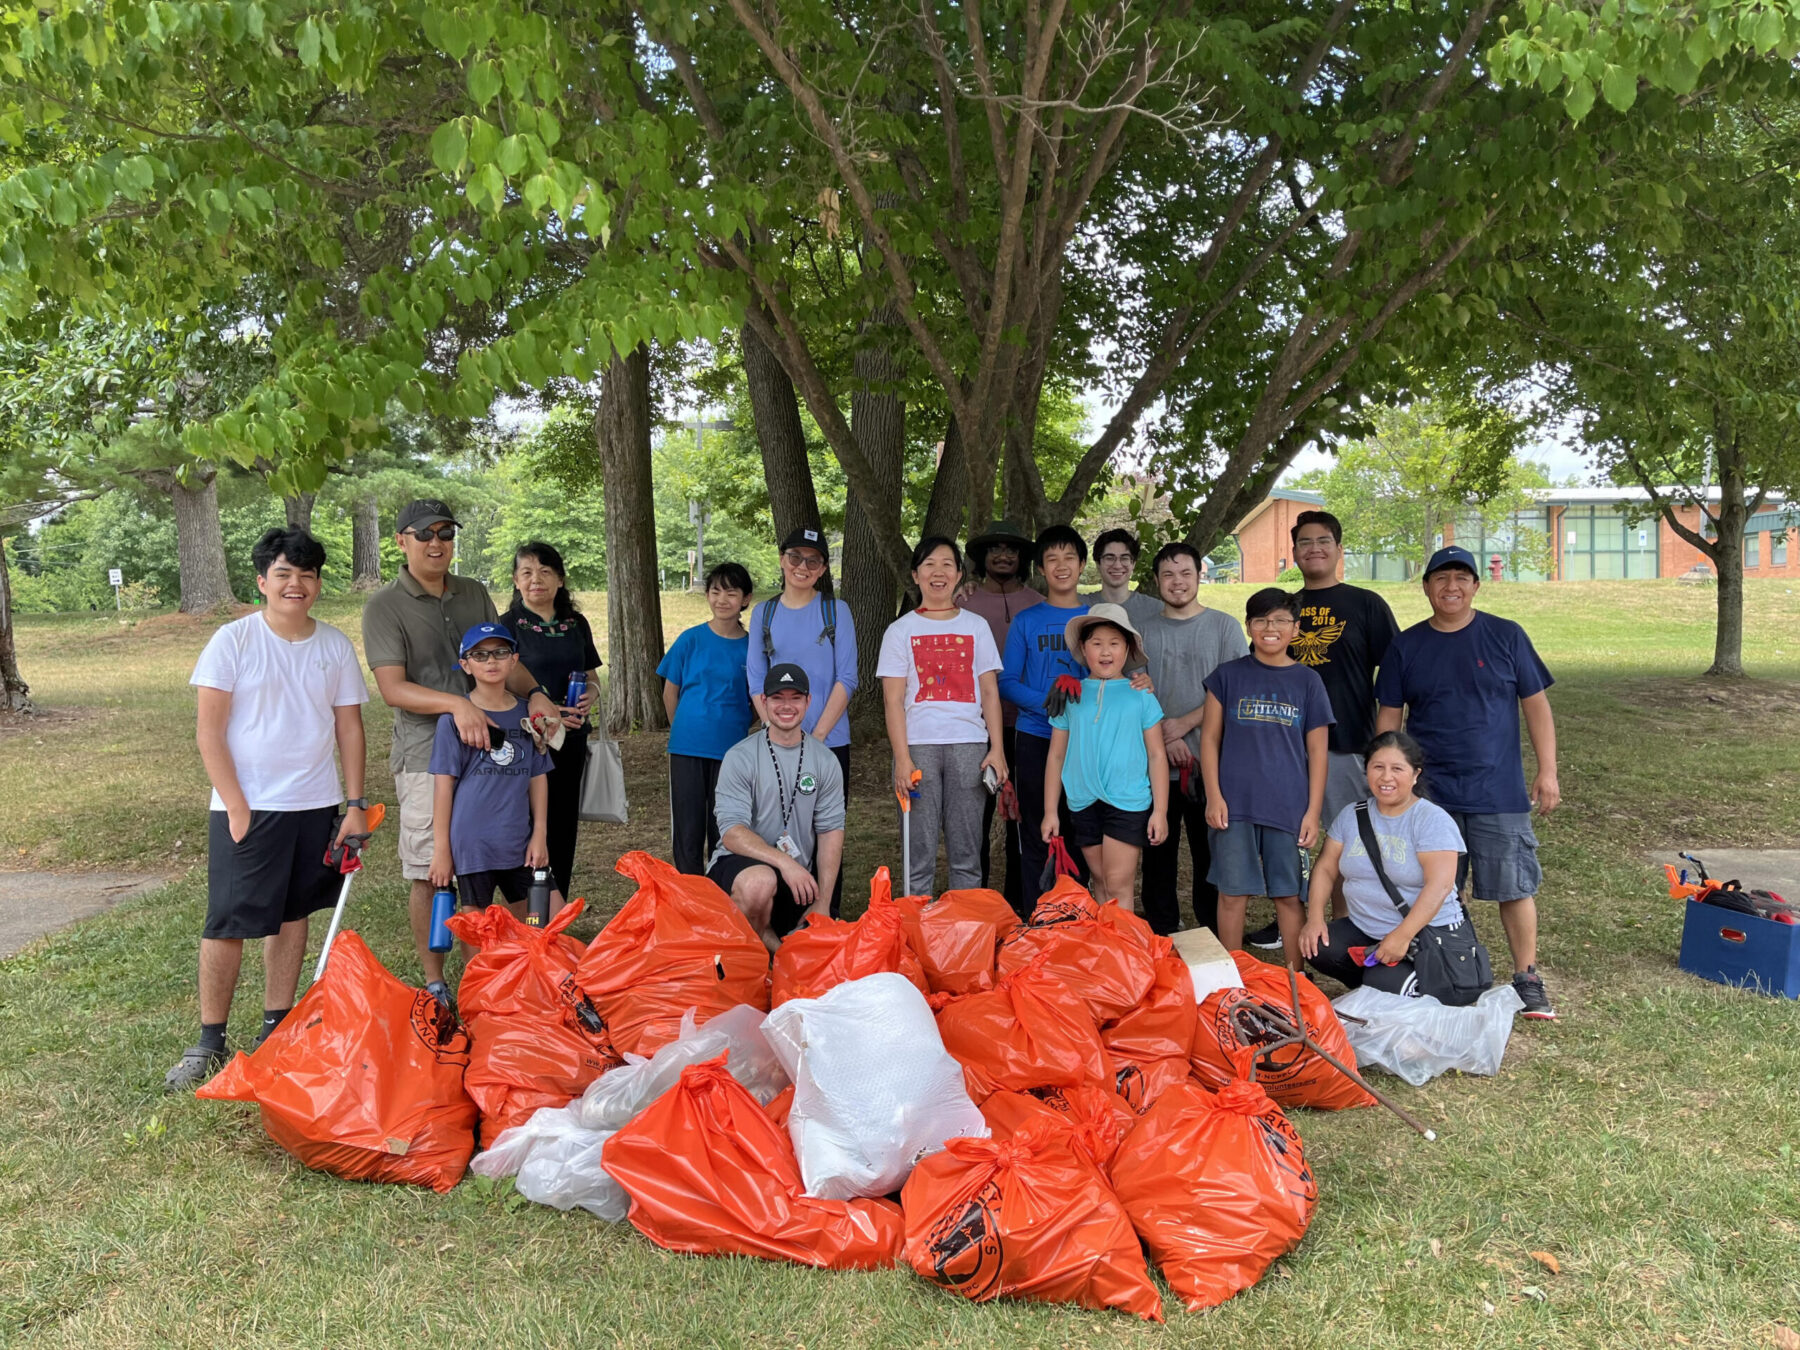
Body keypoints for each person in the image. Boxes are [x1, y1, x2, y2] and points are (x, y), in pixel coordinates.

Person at [166, 528, 369, 1091]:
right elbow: (209, 733)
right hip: (250, 808)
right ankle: (209, 1041)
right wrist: (235, 806)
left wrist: (354, 805)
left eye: (306, 575)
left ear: (318, 584)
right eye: (283, 573)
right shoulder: (232, 642)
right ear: (261, 581)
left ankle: (277, 1027)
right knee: (228, 922)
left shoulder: (333, 646)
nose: (295, 584)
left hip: (317, 803)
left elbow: (349, 728)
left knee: (292, 914)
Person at [362, 498, 561, 1007]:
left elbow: (499, 656)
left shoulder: (473, 592)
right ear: (402, 540)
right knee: (434, 869)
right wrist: (456, 706)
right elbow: (392, 688)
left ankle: (515, 972)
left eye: (445, 533)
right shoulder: (384, 605)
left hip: (500, 754)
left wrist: (535, 693)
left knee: (508, 856)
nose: (436, 543)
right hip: (427, 754)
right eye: (424, 533)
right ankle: (436, 981)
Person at [1376, 544, 1561, 1020]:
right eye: (1441, 578)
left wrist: (1548, 770)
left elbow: (1536, 705)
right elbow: (1390, 719)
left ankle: (1527, 977)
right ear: (1426, 587)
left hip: (1497, 790)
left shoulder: (1506, 636)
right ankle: (1443, 971)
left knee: (1513, 886)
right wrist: (1388, 777)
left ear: (1476, 585)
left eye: (1461, 578)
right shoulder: (1407, 646)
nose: (1451, 587)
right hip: (1431, 795)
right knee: (1434, 890)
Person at [1247, 509, 1401, 949]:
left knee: (1341, 839)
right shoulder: (1283, 609)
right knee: (1287, 838)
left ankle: (1342, 922)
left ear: (1338, 549)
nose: (1313, 549)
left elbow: (1394, 675)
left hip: (1345, 744)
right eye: (1304, 543)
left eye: (1323, 541)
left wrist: (1388, 742)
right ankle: (1289, 917)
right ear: (1293, 553)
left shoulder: (1365, 604)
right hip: (1283, 747)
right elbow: (1256, 669)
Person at [1199, 588, 1334, 961]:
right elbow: (1209, 740)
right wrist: (1214, 795)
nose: (1269, 628)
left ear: (1295, 628)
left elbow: (1318, 752)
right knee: (1232, 893)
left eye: (1279, 620)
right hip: (1234, 806)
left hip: (1287, 807)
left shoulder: (1308, 682)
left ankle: (1297, 980)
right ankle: (1231, 986)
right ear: (1248, 626)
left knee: (1288, 895)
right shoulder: (1226, 677)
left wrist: (1312, 811)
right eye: (1261, 620)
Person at [1300, 730, 1486, 998]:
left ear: (1415, 774)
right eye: (1378, 767)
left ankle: (1396, 984)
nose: (1386, 777)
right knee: (1319, 945)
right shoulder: (1352, 815)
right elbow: (1327, 867)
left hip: (1427, 936)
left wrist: (1402, 936)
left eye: (1397, 768)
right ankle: (1382, 985)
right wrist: (1315, 917)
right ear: (1366, 770)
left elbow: (1440, 885)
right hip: (1367, 928)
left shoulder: (1432, 820)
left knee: (1382, 982)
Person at [879, 537, 1007, 894]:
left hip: (969, 746)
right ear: (916, 575)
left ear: (959, 574)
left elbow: (989, 691)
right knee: (917, 850)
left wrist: (996, 749)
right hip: (918, 746)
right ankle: (915, 928)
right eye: (930, 564)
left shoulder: (976, 626)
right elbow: (892, 701)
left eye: (948, 564)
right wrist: (901, 758)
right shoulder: (900, 630)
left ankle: (964, 931)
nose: (939, 572)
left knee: (967, 850)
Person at [745, 525, 858, 914]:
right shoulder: (765, 611)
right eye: (794, 557)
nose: (802, 566)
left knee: (827, 831)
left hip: (829, 741)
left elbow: (847, 677)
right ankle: (779, 917)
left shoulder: (836, 610)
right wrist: (778, 728)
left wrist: (819, 734)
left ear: (823, 568)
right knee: (776, 827)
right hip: (778, 742)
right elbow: (756, 678)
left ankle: (826, 914)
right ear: (781, 560)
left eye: (812, 561)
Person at [1138, 542, 1247, 936]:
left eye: (1185, 573)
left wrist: (1183, 724)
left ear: (1199, 574)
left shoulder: (1224, 627)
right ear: (1156, 581)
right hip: (1155, 762)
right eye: (1168, 575)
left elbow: (1233, 690)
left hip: (1211, 764)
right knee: (1158, 850)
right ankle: (1161, 928)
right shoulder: (1144, 632)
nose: (1177, 582)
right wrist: (1166, 735)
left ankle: (1210, 928)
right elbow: (1135, 691)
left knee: (1210, 852)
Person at [708, 664, 846, 952]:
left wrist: (823, 902)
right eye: (777, 698)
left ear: (808, 702)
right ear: (763, 702)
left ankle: (778, 946)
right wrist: (784, 863)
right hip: (740, 866)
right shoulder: (740, 757)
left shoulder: (825, 761)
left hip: (797, 877)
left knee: (824, 948)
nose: (786, 706)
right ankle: (767, 952)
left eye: (795, 698)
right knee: (759, 882)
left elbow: (831, 831)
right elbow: (732, 833)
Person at [427, 623, 557, 919]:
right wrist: (441, 848)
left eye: (500, 653)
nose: (491, 661)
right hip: (472, 840)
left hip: (517, 838)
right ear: (465, 665)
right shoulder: (453, 720)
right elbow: (444, 787)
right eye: (480, 655)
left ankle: (527, 968)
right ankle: (477, 968)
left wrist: (540, 834)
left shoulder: (529, 714)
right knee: (475, 922)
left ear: (514, 660)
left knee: (541, 920)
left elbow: (538, 777)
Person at [1042, 605, 1168, 909]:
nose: (1105, 651)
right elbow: (1056, 755)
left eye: (1114, 643)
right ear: (1084, 649)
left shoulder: (1140, 693)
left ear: (1128, 648)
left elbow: (1156, 754)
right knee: (1099, 881)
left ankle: (1124, 951)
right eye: (1097, 643)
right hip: (1083, 800)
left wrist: (1160, 811)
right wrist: (1050, 812)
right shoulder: (1071, 695)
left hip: (1127, 799)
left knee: (1118, 884)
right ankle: (1108, 951)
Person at [1000, 524, 1091, 912]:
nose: (1061, 565)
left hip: (1086, 739)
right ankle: (1035, 916)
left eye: (1069, 557)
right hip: (1036, 735)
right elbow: (1006, 680)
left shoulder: (1095, 616)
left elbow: (1116, 675)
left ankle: (1077, 915)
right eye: (1052, 559)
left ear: (1083, 565)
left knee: (1082, 829)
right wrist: (1048, 703)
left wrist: (1078, 708)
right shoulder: (1026, 620)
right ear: (1040, 568)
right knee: (1038, 828)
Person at [503, 542, 600, 899]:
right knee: (529, 823)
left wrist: (591, 692)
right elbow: (502, 681)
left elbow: (591, 673)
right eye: (527, 572)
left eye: (545, 572)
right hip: (529, 739)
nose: (536, 580)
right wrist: (544, 709)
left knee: (562, 824)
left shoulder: (576, 624)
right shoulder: (507, 626)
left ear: (559, 580)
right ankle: (531, 904)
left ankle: (558, 907)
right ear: (516, 580)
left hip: (572, 738)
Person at [958, 519, 1043, 907]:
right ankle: (975, 900)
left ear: (1023, 558)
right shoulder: (965, 601)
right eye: (995, 549)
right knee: (976, 816)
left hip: (1028, 725)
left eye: (1011, 550)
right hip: (976, 727)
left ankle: (1018, 901)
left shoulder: (1037, 604)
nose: (1004, 555)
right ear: (981, 558)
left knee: (1021, 817)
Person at [658, 562, 755, 875]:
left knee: (723, 825)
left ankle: (719, 891)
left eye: (731, 592)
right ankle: (689, 893)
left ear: (745, 599)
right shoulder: (690, 639)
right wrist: (683, 730)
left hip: (731, 749)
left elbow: (757, 701)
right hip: (687, 746)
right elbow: (669, 693)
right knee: (688, 828)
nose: (722, 599)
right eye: (715, 591)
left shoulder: (753, 648)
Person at [1088, 528, 1164, 630]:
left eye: (1125, 558)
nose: (1117, 565)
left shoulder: (1157, 609)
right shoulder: (1079, 605)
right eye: (1109, 558)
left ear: (1133, 564)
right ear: (1098, 564)